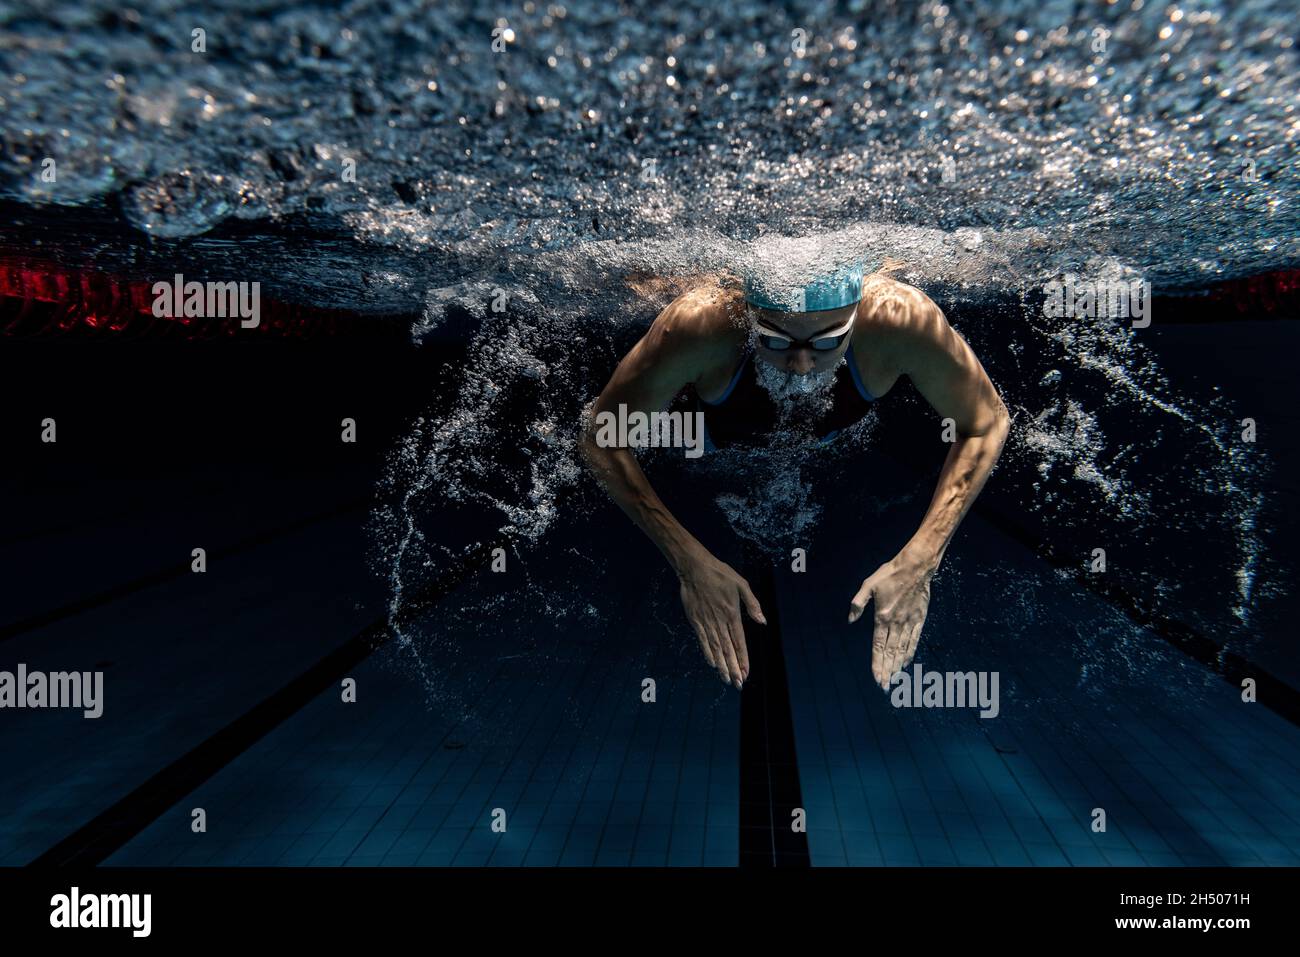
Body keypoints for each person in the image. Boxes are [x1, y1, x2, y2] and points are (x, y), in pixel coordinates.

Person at [581, 256, 1010, 692]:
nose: (802, 365)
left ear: (855, 318)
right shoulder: (702, 326)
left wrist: (921, 560)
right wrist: (688, 560)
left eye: (828, 343)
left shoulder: (899, 321)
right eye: (776, 340)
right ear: (749, 318)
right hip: (706, 436)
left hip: (822, 435)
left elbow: (986, 422)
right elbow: (602, 437)